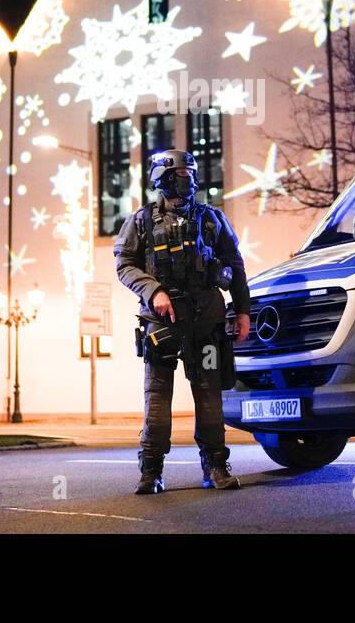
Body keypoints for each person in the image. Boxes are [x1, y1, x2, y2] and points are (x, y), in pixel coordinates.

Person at [114, 149, 252, 494]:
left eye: (191, 174)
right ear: (162, 178)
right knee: (157, 399)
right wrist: (153, 290)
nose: (188, 180)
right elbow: (124, 264)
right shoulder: (141, 221)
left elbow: (235, 266)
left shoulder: (212, 219)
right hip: (162, 325)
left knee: (209, 396)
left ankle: (216, 466)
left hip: (206, 324)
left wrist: (244, 311)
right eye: (181, 174)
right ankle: (151, 471)